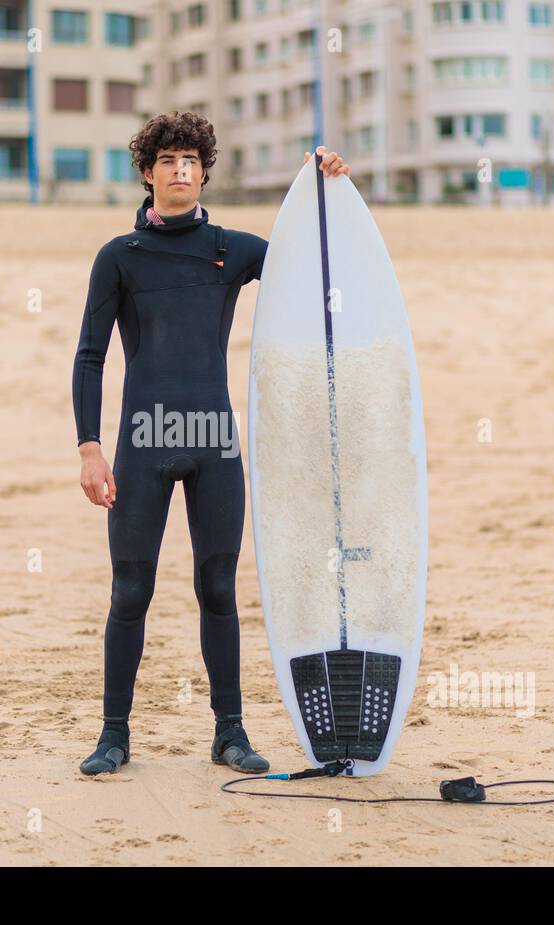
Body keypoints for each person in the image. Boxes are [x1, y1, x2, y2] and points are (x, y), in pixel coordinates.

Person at [72, 110, 349, 775]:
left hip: (213, 443)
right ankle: (115, 737)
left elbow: (314, 258)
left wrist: (328, 186)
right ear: (146, 172)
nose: (180, 170)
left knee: (218, 588)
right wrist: (88, 447)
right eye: (167, 160)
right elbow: (90, 357)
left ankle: (231, 734)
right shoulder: (120, 258)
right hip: (144, 440)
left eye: (191, 161)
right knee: (130, 591)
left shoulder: (231, 249)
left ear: (204, 171)